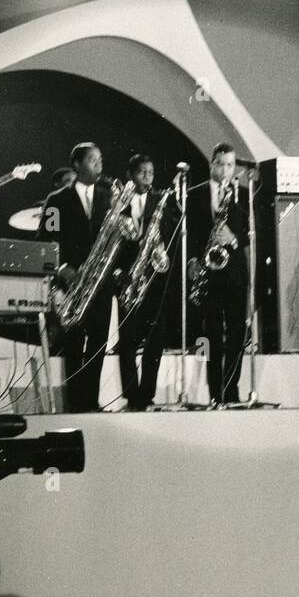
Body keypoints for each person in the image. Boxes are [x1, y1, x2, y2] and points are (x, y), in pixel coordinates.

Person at [37, 142, 114, 412]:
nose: (99, 165)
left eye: (100, 159)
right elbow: (45, 242)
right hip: (72, 283)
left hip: (101, 283)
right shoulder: (57, 200)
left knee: (98, 344)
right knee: (73, 345)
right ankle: (76, 403)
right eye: (93, 160)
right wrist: (61, 269)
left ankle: (91, 401)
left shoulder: (110, 197)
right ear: (77, 165)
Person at [115, 155, 178, 411]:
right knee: (127, 338)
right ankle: (131, 394)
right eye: (142, 172)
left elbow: (172, 231)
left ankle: (147, 393)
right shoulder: (120, 201)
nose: (147, 177)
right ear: (131, 174)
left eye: (151, 172)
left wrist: (161, 244)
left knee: (155, 336)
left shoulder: (162, 200)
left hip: (153, 277)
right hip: (128, 275)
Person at [191, 143, 251, 406]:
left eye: (230, 165)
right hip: (208, 273)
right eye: (220, 163)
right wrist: (193, 261)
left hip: (235, 273)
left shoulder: (245, 195)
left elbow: (253, 234)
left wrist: (233, 239)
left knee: (238, 333)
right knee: (211, 333)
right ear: (211, 164)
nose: (225, 170)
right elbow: (190, 234)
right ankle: (216, 392)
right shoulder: (194, 195)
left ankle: (232, 388)